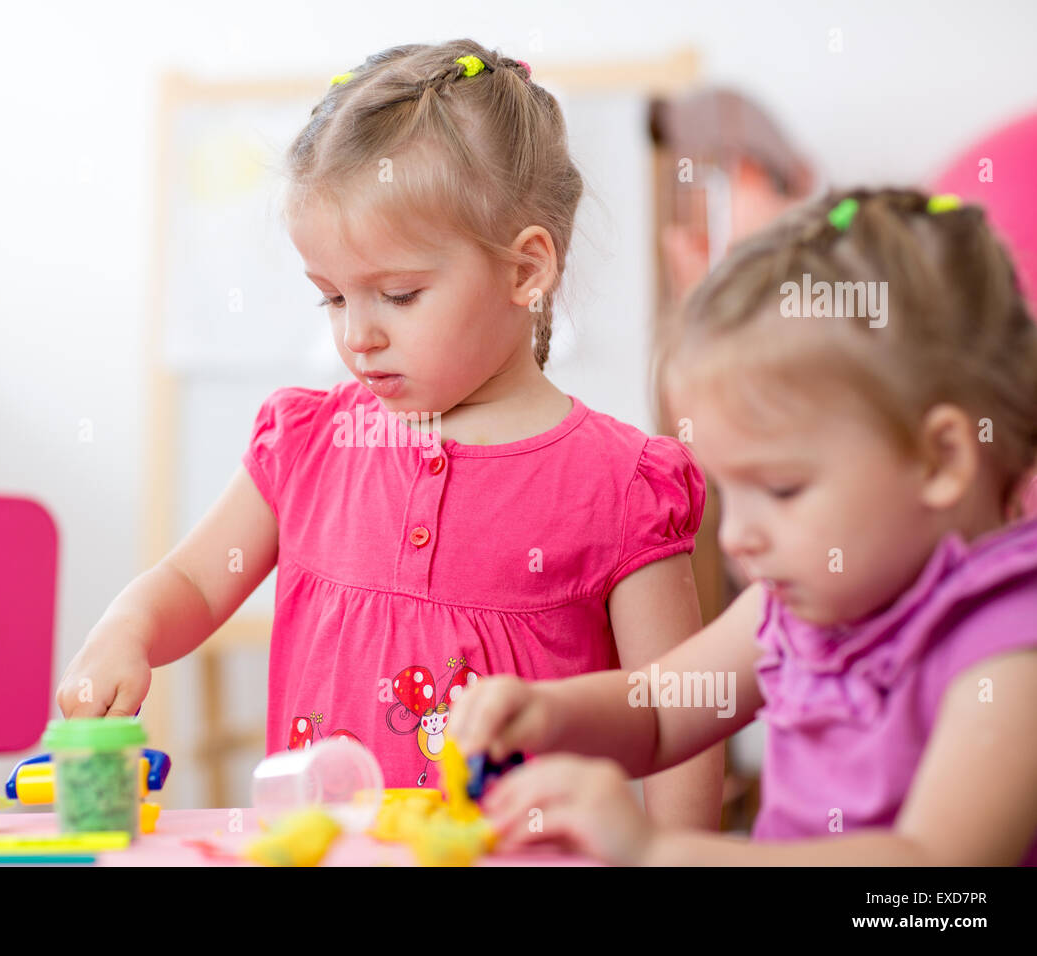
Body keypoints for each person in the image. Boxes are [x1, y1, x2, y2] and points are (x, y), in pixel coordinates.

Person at [57, 40, 721, 823]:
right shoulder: (306, 444)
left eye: (398, 295)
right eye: (332, 298)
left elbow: (681, 718)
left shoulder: (622, 487)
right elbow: (199, 582)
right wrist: (126, 628)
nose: (358, 335)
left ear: (524, 270)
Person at [450, 187, 1037, 864]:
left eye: (782, 489)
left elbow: (932, 875)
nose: (735, 539)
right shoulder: (799, 607)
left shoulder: (1007, 643)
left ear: (941, 459)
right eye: (730, 491)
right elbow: (661, 712)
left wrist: (657, 852)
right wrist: (548, 713)